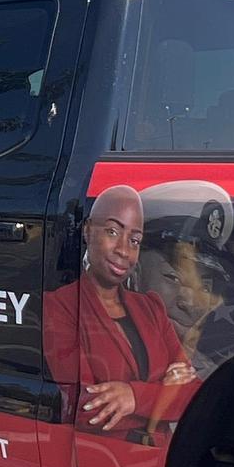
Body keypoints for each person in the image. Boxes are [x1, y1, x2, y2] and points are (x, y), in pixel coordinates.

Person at [43, 184, 198, 443]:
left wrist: (133, 397)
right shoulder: (60, 307)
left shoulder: (151, 308)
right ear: (88, 230)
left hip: (157, 461)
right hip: (103, 462)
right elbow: (83, 410)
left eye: (134, 240)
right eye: (113, 231)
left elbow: (192, 394)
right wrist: (163, 393)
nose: (124, 251)